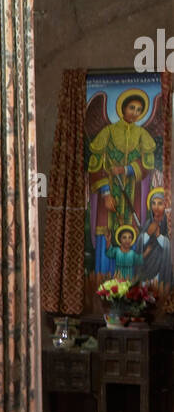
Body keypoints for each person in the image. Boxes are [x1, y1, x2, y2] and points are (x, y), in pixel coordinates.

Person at [88, 90, 157, 275]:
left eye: (139, 110)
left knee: (131, 232)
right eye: (131, 108)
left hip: (132, 195)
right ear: (122, 108)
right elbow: (95, 165)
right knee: (107, 234)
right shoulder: (108, 132)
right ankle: (104, 281)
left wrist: (126, 169)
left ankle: (131, 283)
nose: (135, 113)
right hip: (109, 195)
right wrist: (106, 194)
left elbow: (147, 165)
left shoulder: (142, 135)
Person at [136, 188, 171, 285]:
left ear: (165, 205)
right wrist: (147, 234)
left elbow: (170, 245)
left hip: (162, 268)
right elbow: (140, 243)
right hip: (147, 268)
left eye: (160, 203)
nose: (156, 207)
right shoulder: (148, 223)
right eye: (154, 203)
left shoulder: (169, 223)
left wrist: (159, 236)